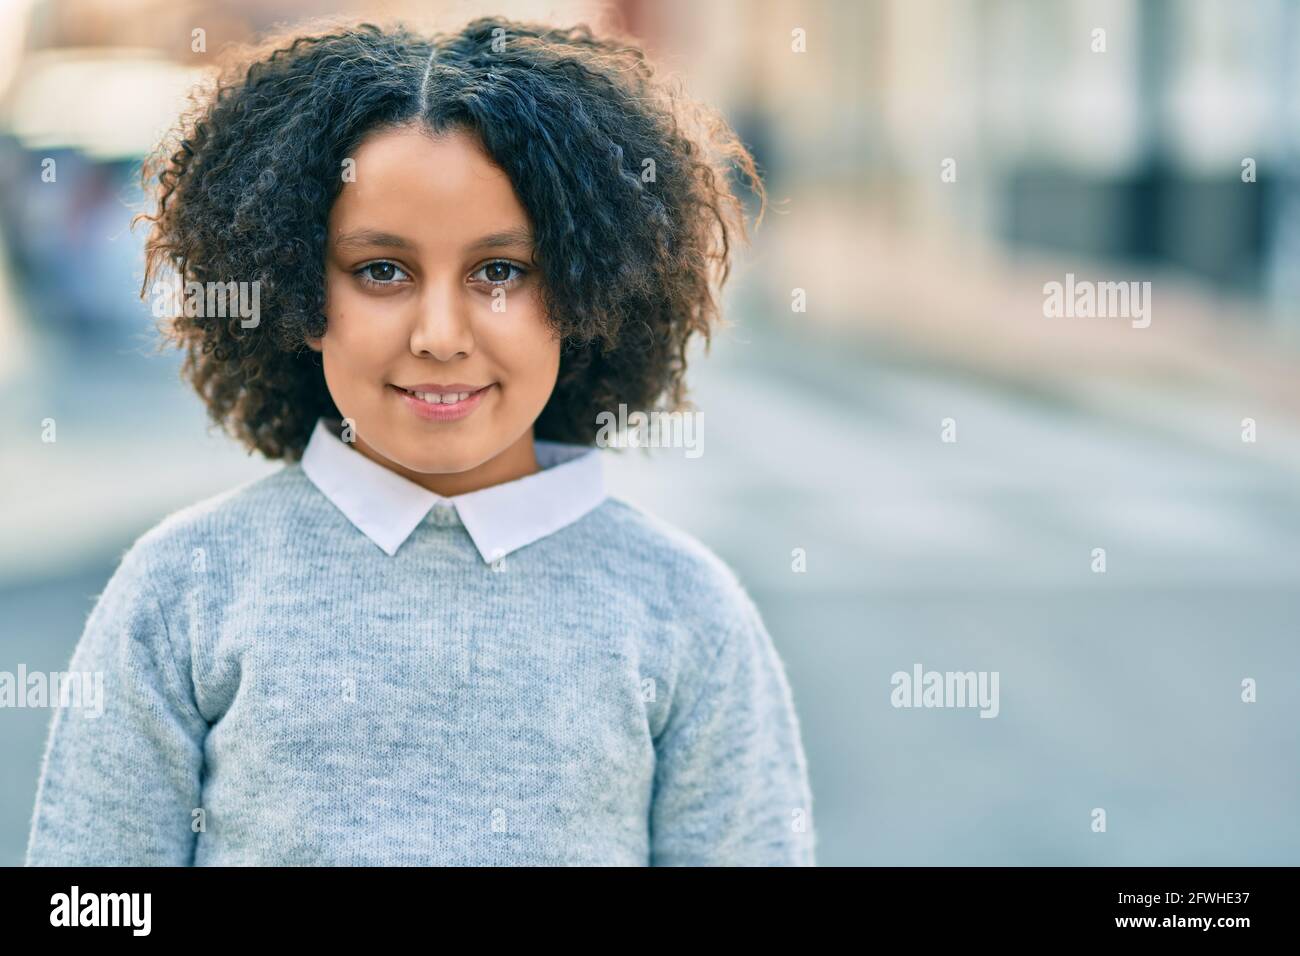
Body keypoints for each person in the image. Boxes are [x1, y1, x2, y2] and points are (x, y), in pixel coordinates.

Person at [25, 16, 815, 866]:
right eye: (381, 271)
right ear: (296, 290)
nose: (441, 334)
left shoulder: (687, 613)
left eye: (501, 272)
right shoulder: (182, 592)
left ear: (588, 292)